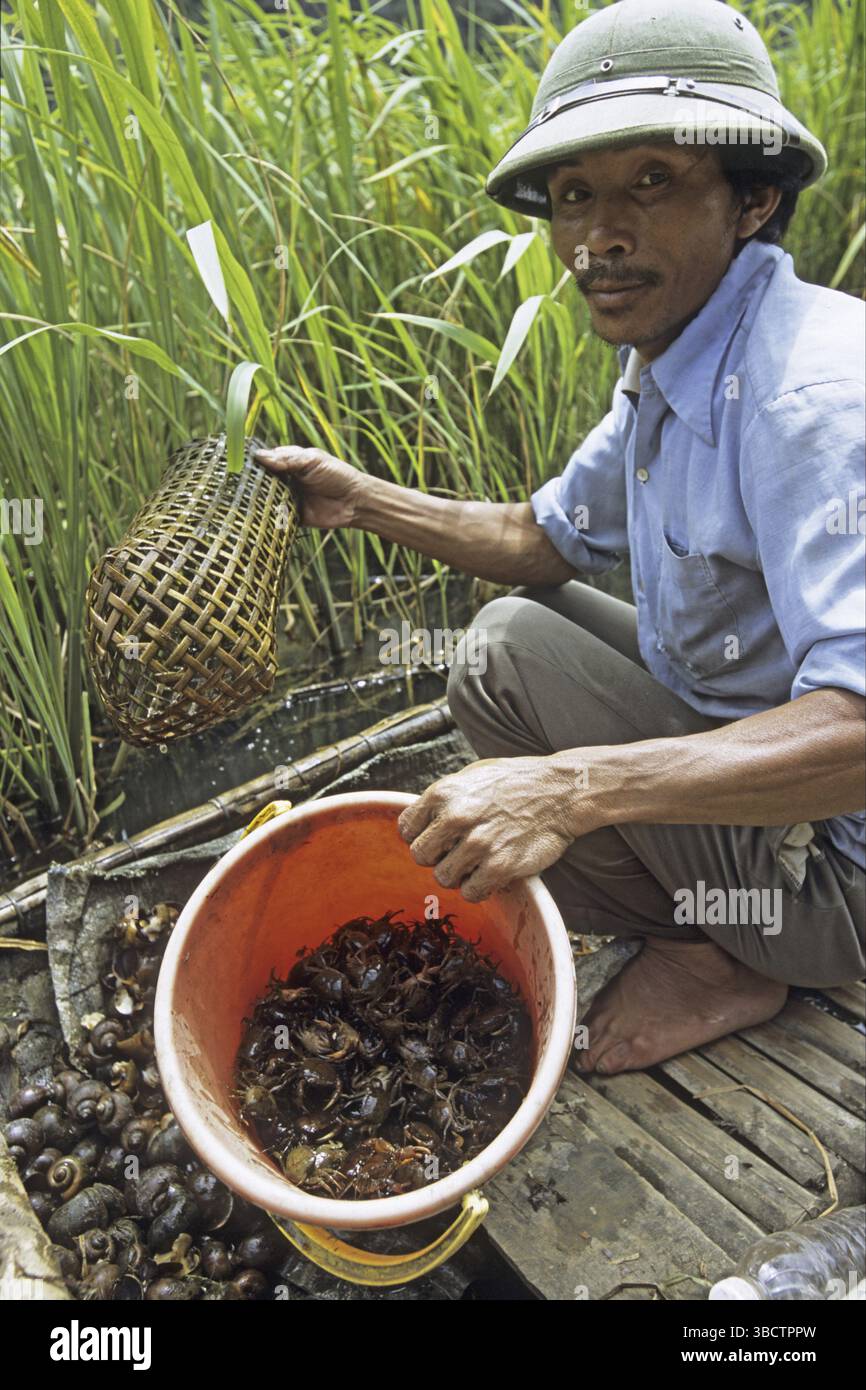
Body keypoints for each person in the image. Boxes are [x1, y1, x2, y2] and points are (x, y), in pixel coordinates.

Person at [254, 0, 865, 1075]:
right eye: (574, 196)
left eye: (650, 182)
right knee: (507, 640)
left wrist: (570, 785)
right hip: (746, 745)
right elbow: (539, 538)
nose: (598, 235)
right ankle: (705, 917)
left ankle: (722, 952)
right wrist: (360, 500)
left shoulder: (806, 398)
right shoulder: (679, 360)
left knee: (511, 658)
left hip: (835, 879)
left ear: (751, 198)